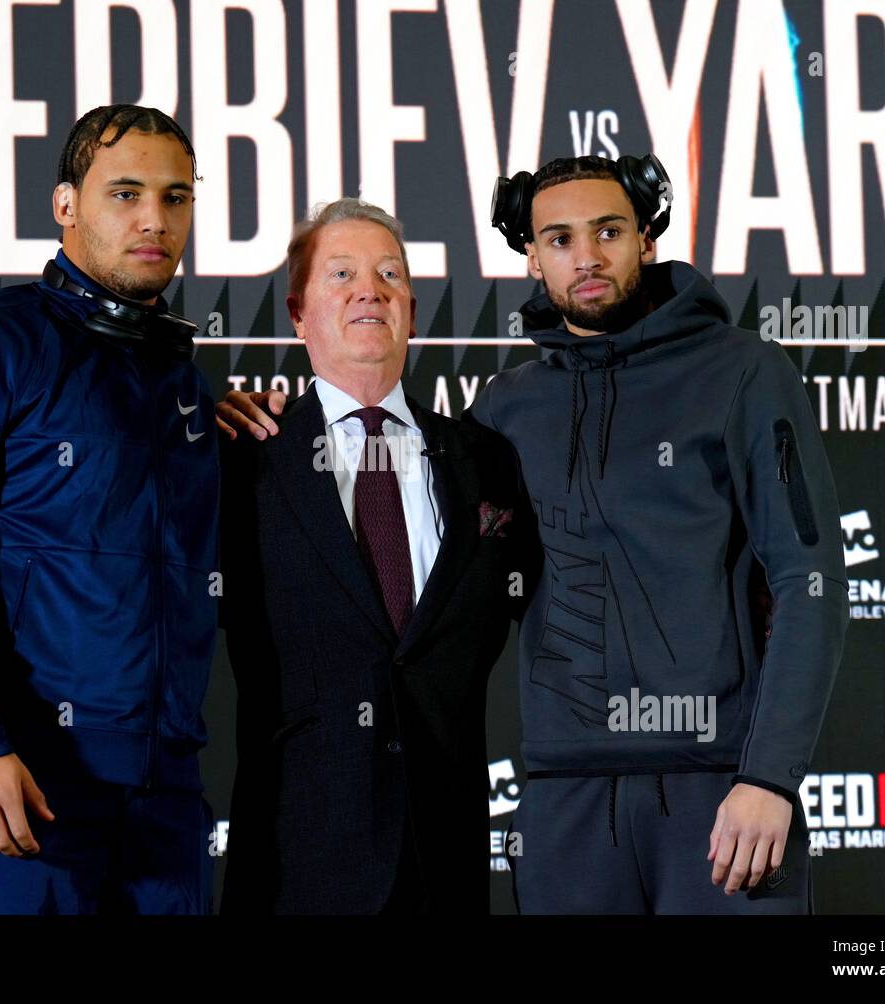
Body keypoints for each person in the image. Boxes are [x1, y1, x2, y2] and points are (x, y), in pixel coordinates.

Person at [471, 154, 849, 913]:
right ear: (531, 257)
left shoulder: (744, 371)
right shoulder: (504, 407)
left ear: (647, 238)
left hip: (722, 792)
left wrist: (769, 778)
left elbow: (810, 581)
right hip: (562, 802)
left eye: (608, 230)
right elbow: (458, 594)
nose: (587, 256)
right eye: (559, 238)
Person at [0, 105, 218, 914]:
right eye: (124, 194)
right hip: (19, 785)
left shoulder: (185, 387)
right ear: (66, 205)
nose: (153, 220)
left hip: (166, 805)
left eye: (175, 197)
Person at [213, 198, 539, 914]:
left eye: (389, 273)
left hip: (445, 868)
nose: (370, 289)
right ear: (299, 313)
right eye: (342, 274)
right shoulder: (240, 462)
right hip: (295, 871)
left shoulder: (485, 461)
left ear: (413, 313)